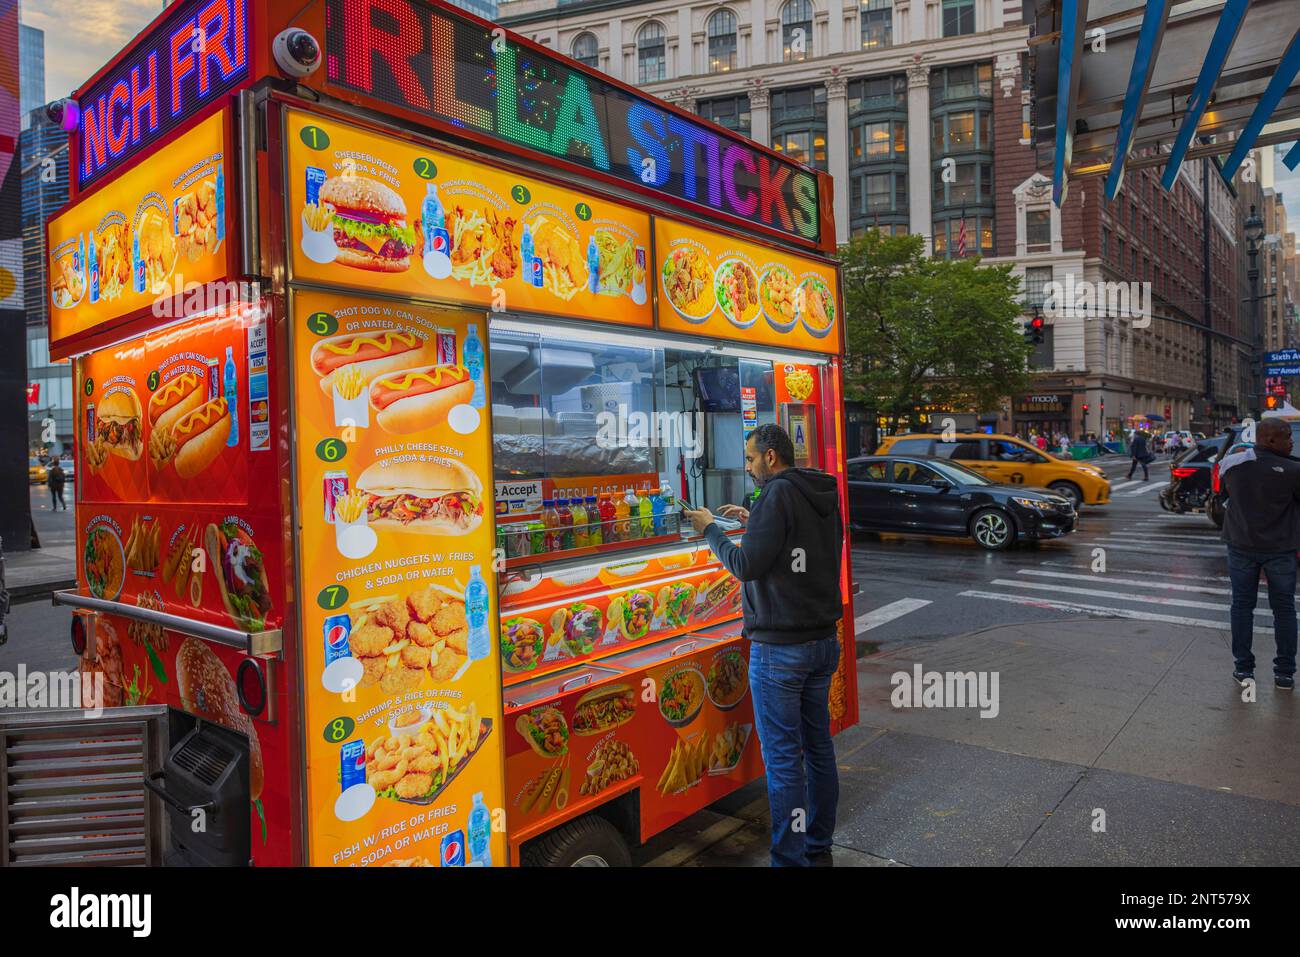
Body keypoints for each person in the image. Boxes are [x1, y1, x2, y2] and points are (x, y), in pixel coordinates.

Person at [682, 424, 844, 867]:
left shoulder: (775, 494)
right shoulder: (822, 490)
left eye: (751, 459)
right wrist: (755, 523)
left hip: (780, 651)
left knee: (785, 763)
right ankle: (818, 848)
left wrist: (710, 529)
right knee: (818, 749)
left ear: (771, 457)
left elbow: (746, 565)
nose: (749, 468)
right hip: (822, 641)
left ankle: (788, 860)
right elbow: (803, 546)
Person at [1217, 418, 1298, 690]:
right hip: (1281, 549)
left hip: (1240, 545)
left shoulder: (1234, 465)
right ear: (1269, 440)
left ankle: (1243, 669)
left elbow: (1224, 497)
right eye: (1287, 437)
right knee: (1284, 609)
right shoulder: (1293, 470)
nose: (1292, 441)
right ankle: (1284, 673)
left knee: (1242, 607)